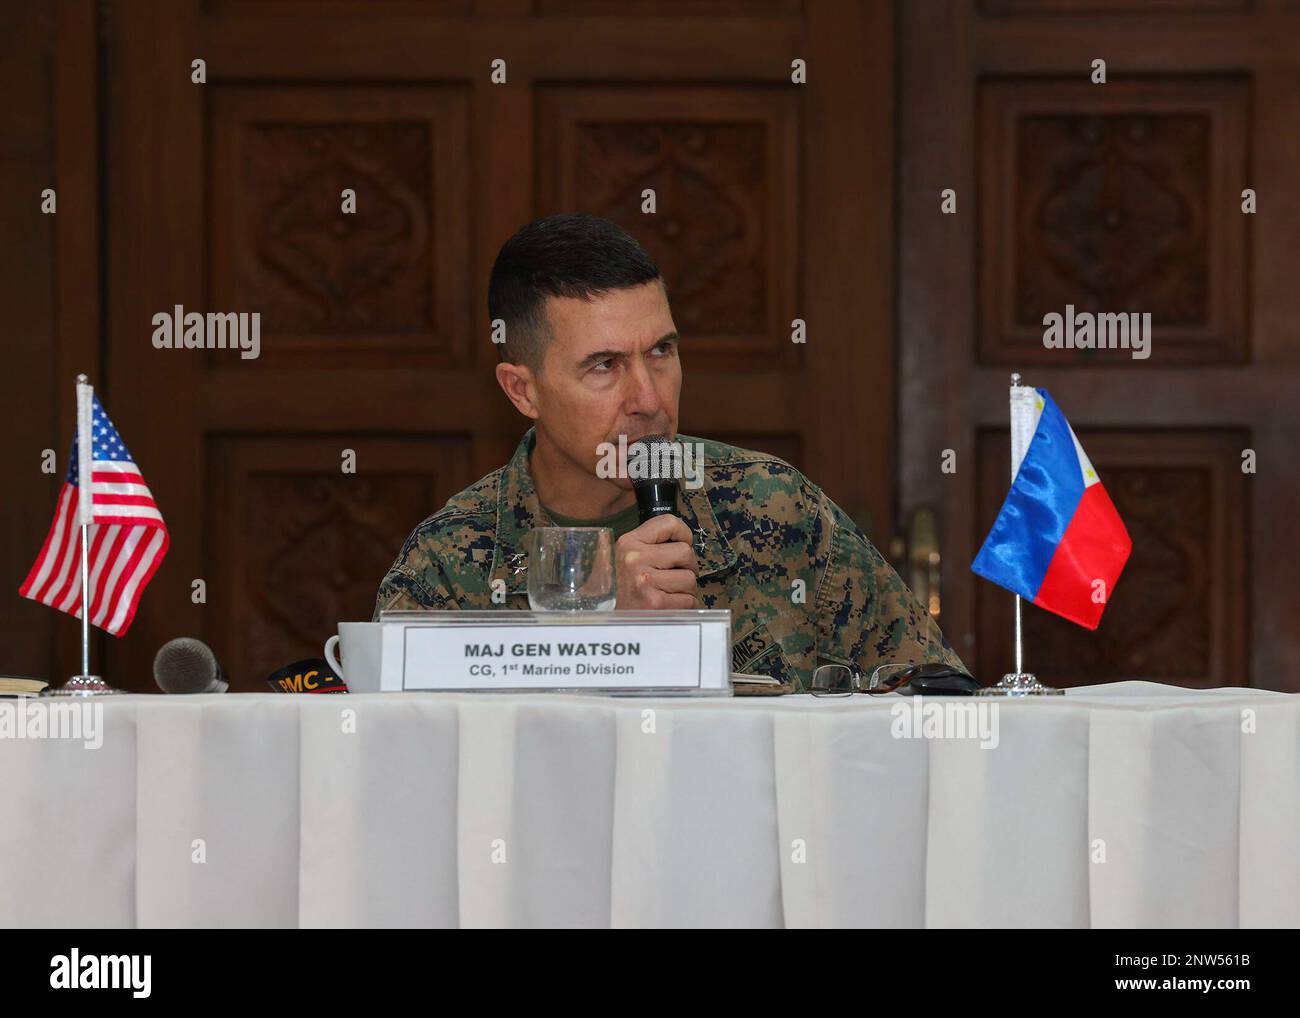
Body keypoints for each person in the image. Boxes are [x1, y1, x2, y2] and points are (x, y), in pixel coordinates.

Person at [374, 213, 964, 691]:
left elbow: (935, 695)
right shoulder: (449, 563)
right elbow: (405, 776)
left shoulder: (774, 508)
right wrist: (601, 634)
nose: (649, 397)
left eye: (661, 352)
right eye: (605, 366)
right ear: (522, 389)